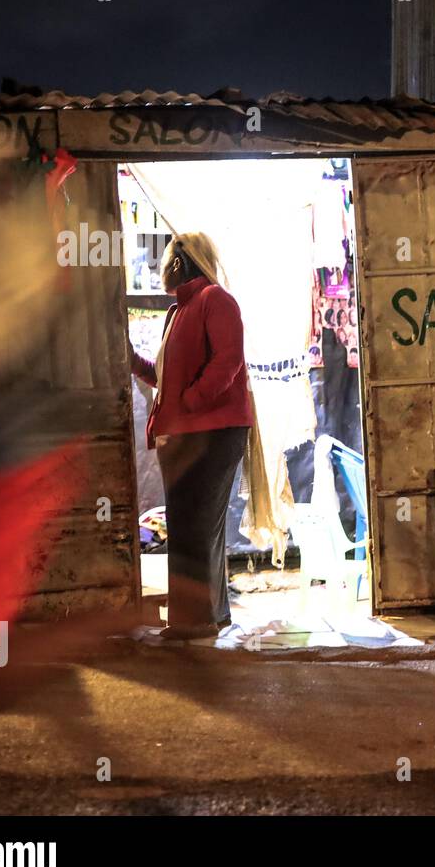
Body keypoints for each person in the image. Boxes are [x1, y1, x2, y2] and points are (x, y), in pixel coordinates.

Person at [130, 233, 254, 640]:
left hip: (212, 432)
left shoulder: (215, 300)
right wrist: (134, 362)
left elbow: (228, 362)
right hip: (185, 433)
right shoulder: (177, 312)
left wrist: (189, 402)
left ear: (180, 263)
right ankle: (207, 616)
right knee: (189, 524)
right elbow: (166, 378)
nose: (160, 267)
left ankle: (194, 620)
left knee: (196, 523)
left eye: (165, 260)